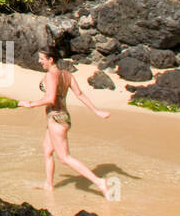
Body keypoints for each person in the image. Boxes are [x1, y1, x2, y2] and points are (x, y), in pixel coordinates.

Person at [19, 47, 111, 196]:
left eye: (42, 58)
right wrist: (97, 111)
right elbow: (80, 94)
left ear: (51, 59)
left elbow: (50, 98)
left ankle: (99, 182)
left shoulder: (50, 76)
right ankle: (48, 185)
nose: (39, 61)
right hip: (63, 117)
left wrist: (30, 104)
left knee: (64, 158)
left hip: (56, 120)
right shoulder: (67, 75)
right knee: (47, 150)